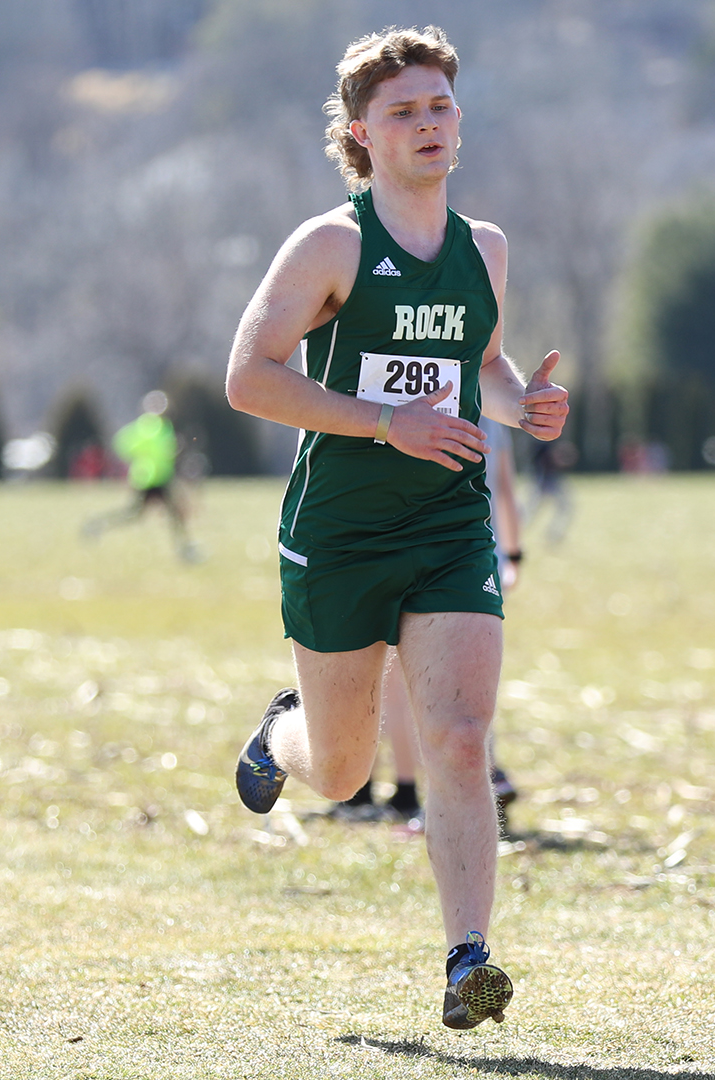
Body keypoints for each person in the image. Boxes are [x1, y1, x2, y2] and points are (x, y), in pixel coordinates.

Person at [223, 26, 567, 1030]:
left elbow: (483, 370)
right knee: (343, 771)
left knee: (459, 739)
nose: (427, 124)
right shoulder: (331, 244)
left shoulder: (484, 249)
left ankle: (469, 959)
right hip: (339, 531)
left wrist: (523, 406)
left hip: (449, 522)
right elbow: (249, 377)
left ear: (461, 121)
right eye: (403, 111)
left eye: (440, 106)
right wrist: (385, 423)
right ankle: (279, 732)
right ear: (362, 135)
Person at [332, 419, 523, 830]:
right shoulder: (488, 408)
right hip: (474, 555)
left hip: (422, 548)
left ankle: (400, 791)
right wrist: (514, 553)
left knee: (403, 684)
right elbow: (504, 486)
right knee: (463, 685)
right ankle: (477, 775)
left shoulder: (420, 402)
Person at [83, 389, 198, 561]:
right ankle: (185, 550)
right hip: (150, 479)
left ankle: (185, 549)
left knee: (167, 514)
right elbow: (126, 445)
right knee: (139, 514)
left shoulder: (158, 427)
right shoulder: (149, 427)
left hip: (157, 478)